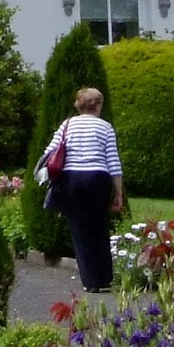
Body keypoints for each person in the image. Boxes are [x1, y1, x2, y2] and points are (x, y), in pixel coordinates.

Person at [36, 87, 124, 294]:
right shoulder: (105, 127)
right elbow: (113, 161)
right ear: (99, 105)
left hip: (71, 179)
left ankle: (89, 281)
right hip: (97, 178)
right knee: (99, 227)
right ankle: (104, 278)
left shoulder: (67, 124)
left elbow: (50, 152)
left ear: (79, 105)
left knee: (79, 229)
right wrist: (119, 193)